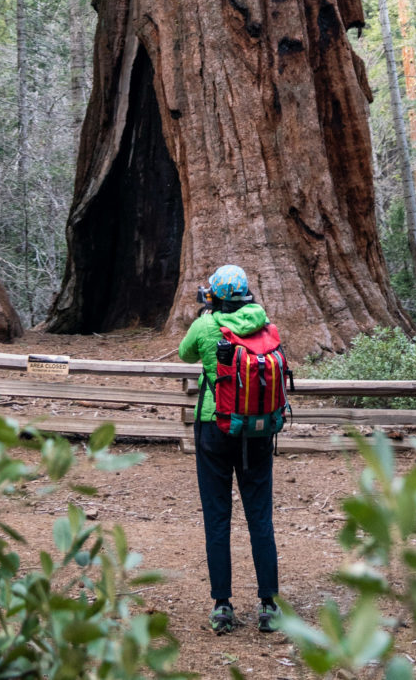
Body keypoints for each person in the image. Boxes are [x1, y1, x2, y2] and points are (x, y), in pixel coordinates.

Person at [178, 263, 281, 635]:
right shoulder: (265, 323)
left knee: (218, 518)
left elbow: (184, 355)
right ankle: (269, 604)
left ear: (217, 295)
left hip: (215, 429)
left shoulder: (206, 325)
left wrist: (207, 315)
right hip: (257, 432)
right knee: (260, 518)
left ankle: (222, 605)